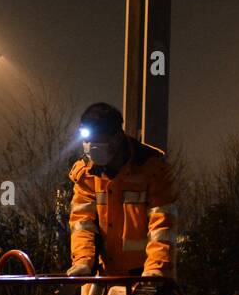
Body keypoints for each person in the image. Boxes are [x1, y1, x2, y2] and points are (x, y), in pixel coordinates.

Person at [67, 102, 177, 280]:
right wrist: (83, 262)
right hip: (102, 278)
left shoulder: (152, 169)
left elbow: (162, 225)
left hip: (144, 277)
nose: (90, 147)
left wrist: (155, 270)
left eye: (97, 141)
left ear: (117, 138)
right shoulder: (86, 173)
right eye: (87, 141)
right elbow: (82, 222)